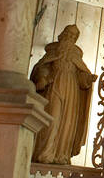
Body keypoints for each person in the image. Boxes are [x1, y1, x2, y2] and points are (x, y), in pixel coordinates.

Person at [29, 25, 96, 164]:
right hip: (54, 86)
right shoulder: (53, 51)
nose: (69, 38)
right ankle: (45, 153)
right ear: (62, 34)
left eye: (73, 36)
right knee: (52, 118)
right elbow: (43, 67)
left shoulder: (76, 55)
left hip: (71, 91)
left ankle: (61, 154)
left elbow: (82, 78)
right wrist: (43, 78)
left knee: (67, 122)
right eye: (68, 34)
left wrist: (88, 79)